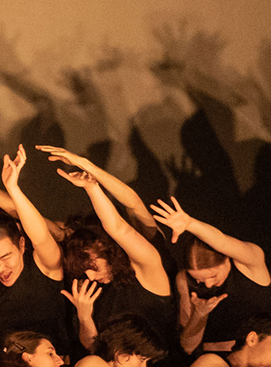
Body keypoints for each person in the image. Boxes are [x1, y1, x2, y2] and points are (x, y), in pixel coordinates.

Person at [39, 148, 175, 349]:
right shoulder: (95, 288)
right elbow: (92, 347)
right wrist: (85, 317)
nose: (90, 276)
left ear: (105, 248)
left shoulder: (147, 263)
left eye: (93, 267)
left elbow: (124, 218)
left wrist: (90, 180)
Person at [0, 147, 71, 359]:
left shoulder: (44, 266)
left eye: (5, 257)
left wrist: (13, 188)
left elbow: (40, 234)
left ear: (21, 245)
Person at [147, 196, 271, 354]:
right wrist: (199, 315)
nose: (207, 285)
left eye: (213, 276)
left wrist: (190, 223)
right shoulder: (185, 280)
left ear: (226, 257)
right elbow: (187, 346)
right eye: (199, 280)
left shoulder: (249, 263)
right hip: (212, 359)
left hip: (258, 355)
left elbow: (223, 242)